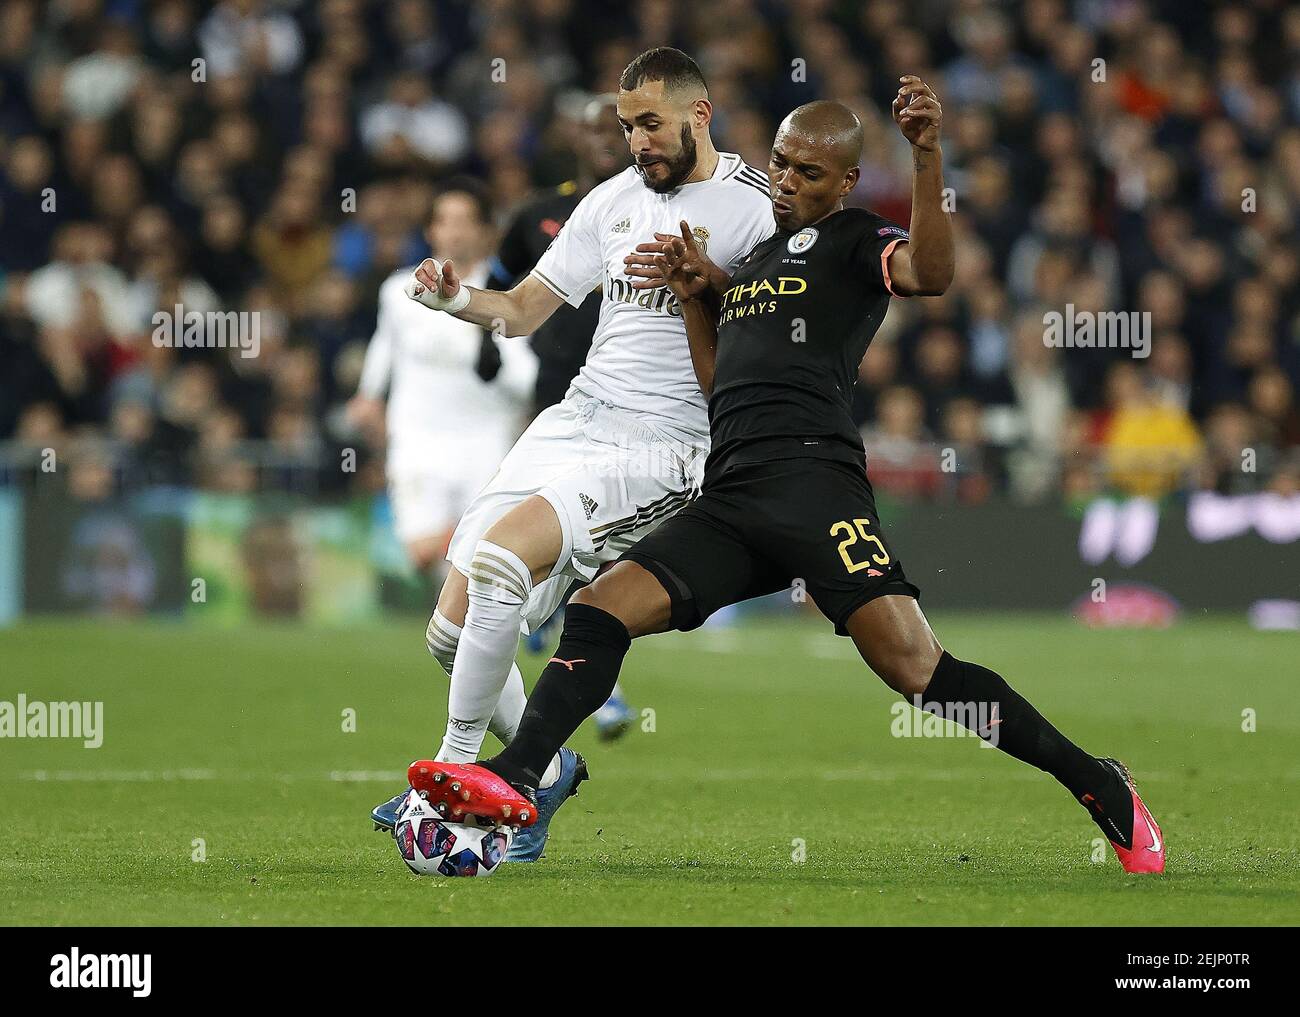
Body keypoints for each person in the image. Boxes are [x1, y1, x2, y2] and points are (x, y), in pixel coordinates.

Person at [405, 83, 1166, 876]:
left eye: (808, 171)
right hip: (732, 495)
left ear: (843, 182)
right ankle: (516, 775)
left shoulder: (851, 239)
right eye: (779, 164)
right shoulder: (754, 258)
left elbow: (933, 272)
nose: (788, 181)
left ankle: (1095, 779)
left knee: (920, 671)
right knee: (599, 610)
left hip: (815, 488)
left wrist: (928, 155)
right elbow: (716, 383)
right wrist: (698, 292)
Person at [371, 48, 776, 863]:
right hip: (574, 418)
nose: (637, 143)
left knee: (499, 567)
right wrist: (454, 297)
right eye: (628, 127)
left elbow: (777, 334)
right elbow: (521, 310)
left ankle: (455, 780)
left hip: (664, 441)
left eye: (651, 124)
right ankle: (545, 769)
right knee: (448, 636)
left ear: (700, 114)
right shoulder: (611, 201)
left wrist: (710, 280)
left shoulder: (756, 208)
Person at [486, 93, 637, 740]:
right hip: (558, 390)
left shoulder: (662, 208)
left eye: (622, 128)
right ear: (576, 136)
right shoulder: (539, 214)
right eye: (599, 128)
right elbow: (501, 282)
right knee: (571, 517)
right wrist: (482, 348)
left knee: (601, 527)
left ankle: (559, 630)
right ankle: (594, 679)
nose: (609, 138)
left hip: (635, 394)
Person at [347, 179, 536, 576]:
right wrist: (368, 396)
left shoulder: (508, 295)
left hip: (486, 437)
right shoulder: (399, 290)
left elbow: (526, 377)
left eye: (465, 221)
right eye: (444, 221)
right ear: (430, 230)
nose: (454, 231)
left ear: (486, 230)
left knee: (479, 560)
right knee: (422, 554)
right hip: (417, 436)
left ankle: (481, 627)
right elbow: (387, 344)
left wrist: (491, 361)